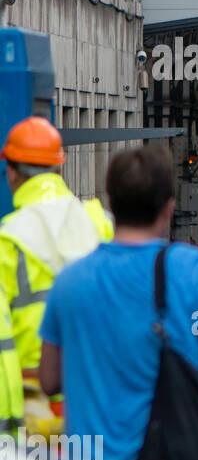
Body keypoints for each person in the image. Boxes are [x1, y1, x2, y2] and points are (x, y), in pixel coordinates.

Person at [37, 145, 198, 460]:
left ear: (111, 203)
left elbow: (48, 380)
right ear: (168, 209)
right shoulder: (189, 268)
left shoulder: (71, 279)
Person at [0, 116, 114, 436]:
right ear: (59, 169)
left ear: (11, 172)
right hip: (96, 397)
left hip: (33, 407)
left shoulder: (7, 241)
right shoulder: (100, 224)